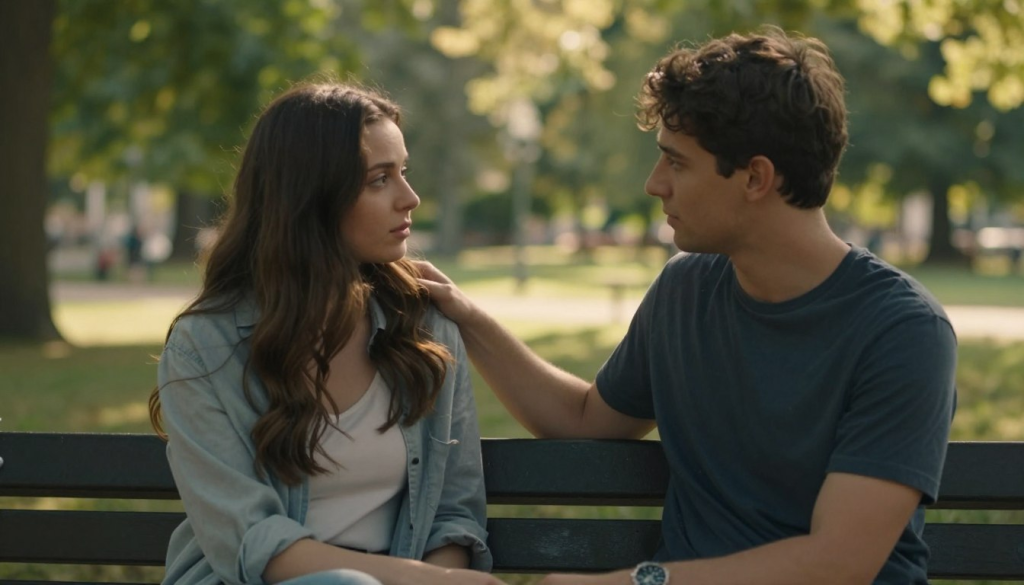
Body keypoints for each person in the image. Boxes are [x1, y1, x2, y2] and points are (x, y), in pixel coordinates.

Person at [417, 26, 957, 585]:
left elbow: (836, 564)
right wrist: (465, 315)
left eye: (676, 163)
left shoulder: (902, 330)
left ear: (755, 177)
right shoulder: (686, 289)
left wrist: (629, 584)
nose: (655, 185)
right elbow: (583, 418)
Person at [149, 82, 502, 585]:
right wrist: (423, 582)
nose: (410, 198)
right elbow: (253, 543)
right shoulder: (205, 347)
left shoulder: (426, 329)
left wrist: (437, 580)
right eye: (379, 180)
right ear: (310, 197)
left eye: (404, 172)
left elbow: (453, 514)